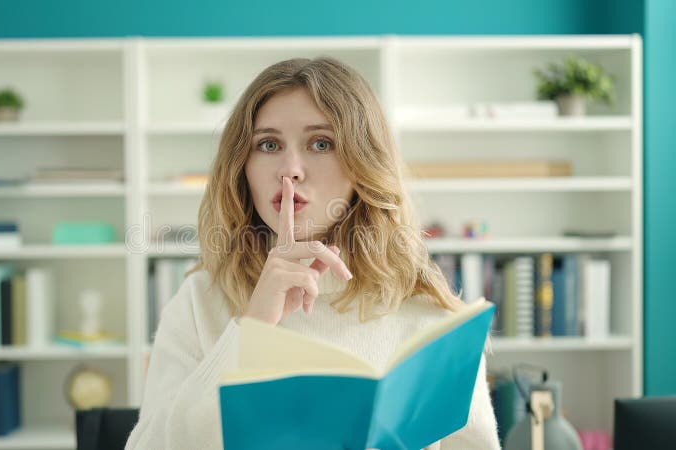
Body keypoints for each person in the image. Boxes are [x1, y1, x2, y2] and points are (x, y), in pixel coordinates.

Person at [125, 56, 500, 450]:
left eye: (321, 143)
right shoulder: (199, 302)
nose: (290, 169)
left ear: (362, 164)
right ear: (242, 167)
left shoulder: (432, 318)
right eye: (268, 144)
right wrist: (252, 330)